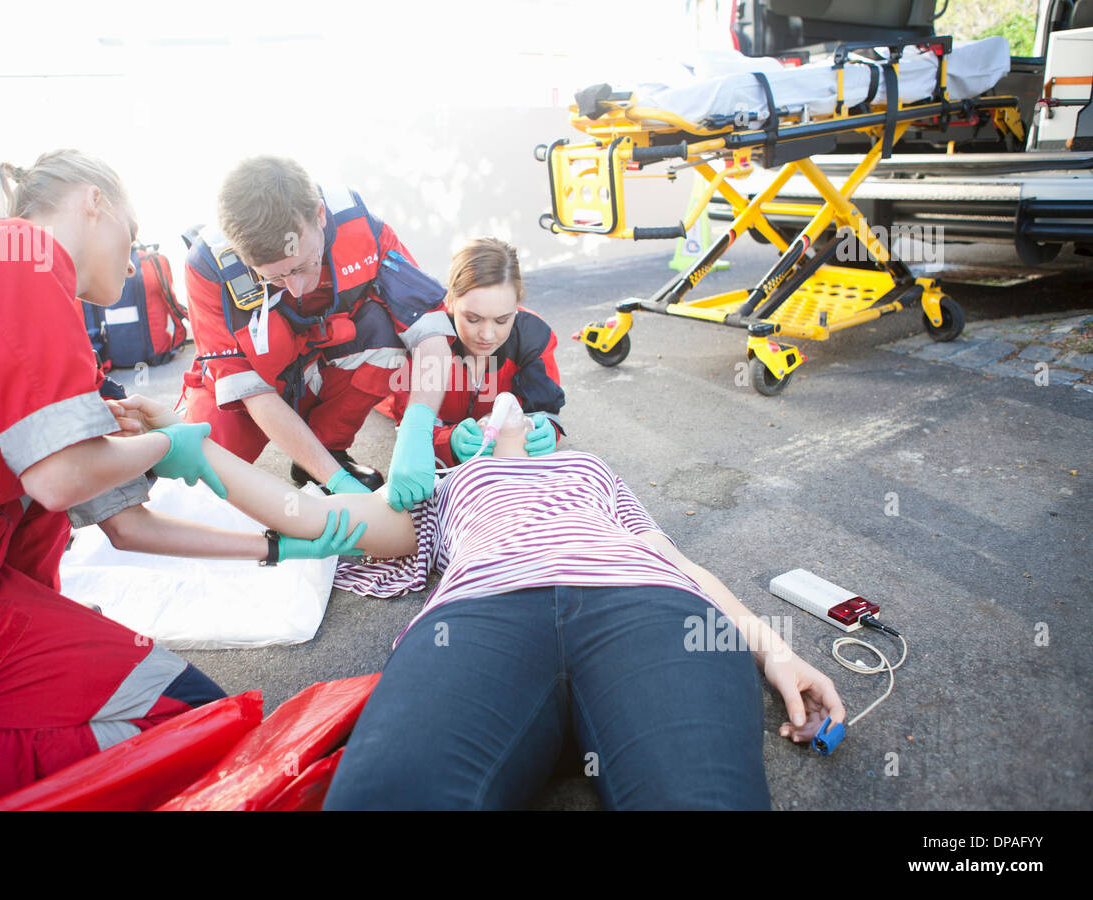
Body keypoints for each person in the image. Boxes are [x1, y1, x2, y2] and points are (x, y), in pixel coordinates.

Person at [0, 151, 361, 811]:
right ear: (93, 202)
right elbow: (61, 478)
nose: (129, 266)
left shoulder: (5, 286)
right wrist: (163, 445)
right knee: (182, 723)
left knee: (196, 716)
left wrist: (273, 549)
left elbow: (128, 524)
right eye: (131, 231)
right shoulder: (15, 254)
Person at [110, 394, 848, 810]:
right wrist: (194, 451)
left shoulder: (589, 468)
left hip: (644, 605)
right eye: (496, 413)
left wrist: (776, 650)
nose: (510, 410)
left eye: (523, 412)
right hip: (481, 623)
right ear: (467, 445)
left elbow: (680, 562)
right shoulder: (443, 487)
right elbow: (315, 520)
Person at [181, 156, 454, 510]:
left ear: (320, 216)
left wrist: (419, 426)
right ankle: (327, 471)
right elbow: (247, 390)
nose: (294, 288)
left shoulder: (363, 229)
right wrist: (338, 483)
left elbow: (429, 330)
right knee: (196, 490)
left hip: (322, 366)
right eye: (275, 277)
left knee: (384, 328)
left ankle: (325, 452)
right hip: (254, 390)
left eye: (302, 266)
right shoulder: (207, 268)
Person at [388, 237, 566, 466]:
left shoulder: (534, 337)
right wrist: (448, 442)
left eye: (502, 320)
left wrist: (548, 430)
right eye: (473, 319)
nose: (487, 335)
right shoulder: (423, 339)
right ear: (450, 300)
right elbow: (409, 430)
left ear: (516, 306)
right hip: (384, 396)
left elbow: (546, 412)